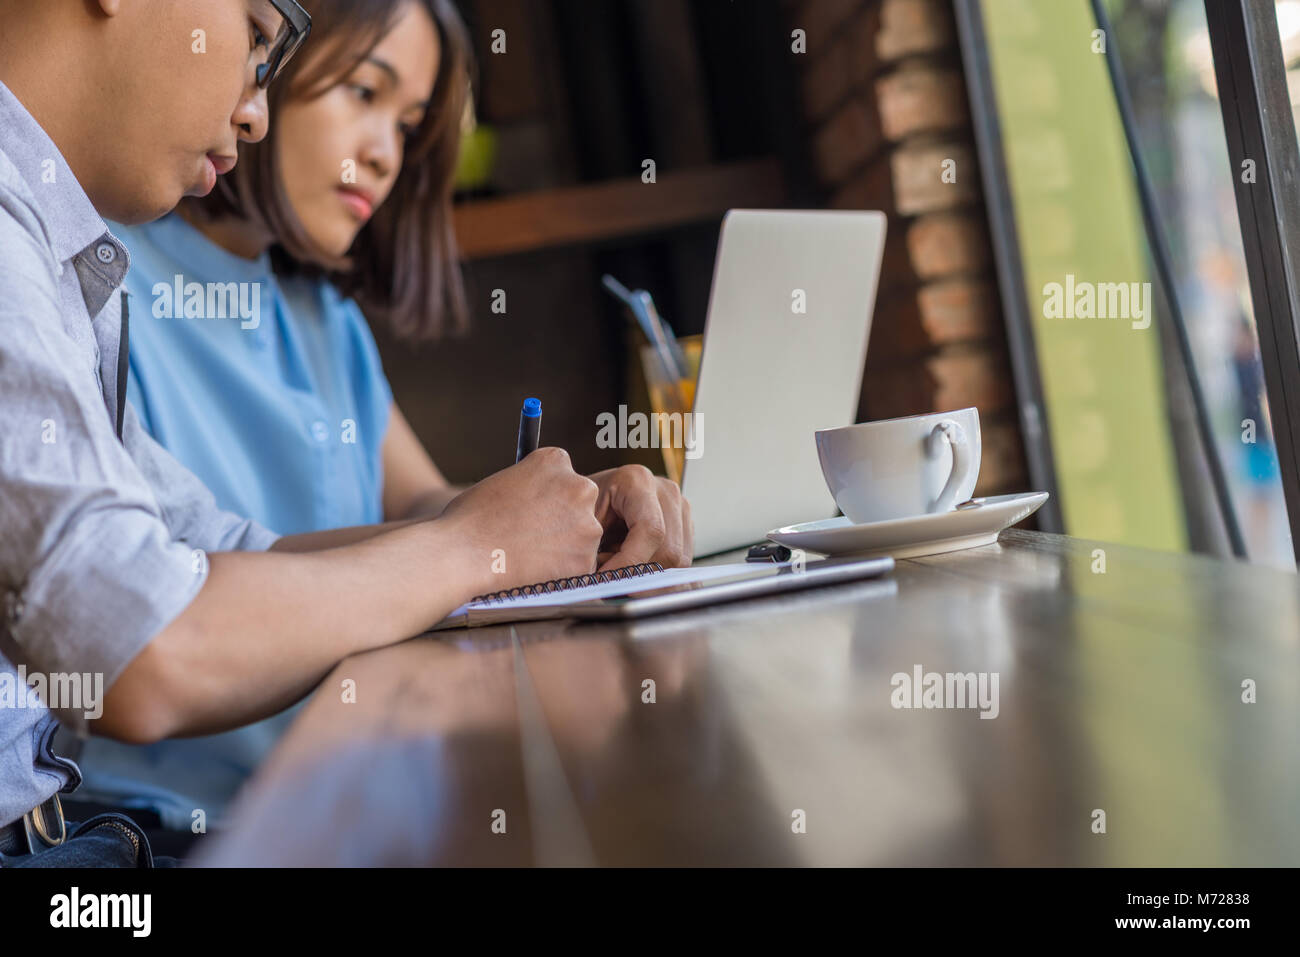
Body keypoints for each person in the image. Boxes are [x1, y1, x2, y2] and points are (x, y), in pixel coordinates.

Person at [0, 0, 688, 867]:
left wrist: (555, 530)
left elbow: (219, 546)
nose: (254, 108)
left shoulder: (69, 263)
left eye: (409, 125)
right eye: (257, 37)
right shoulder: (86, 260)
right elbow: (141, 645)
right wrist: (475, 549)